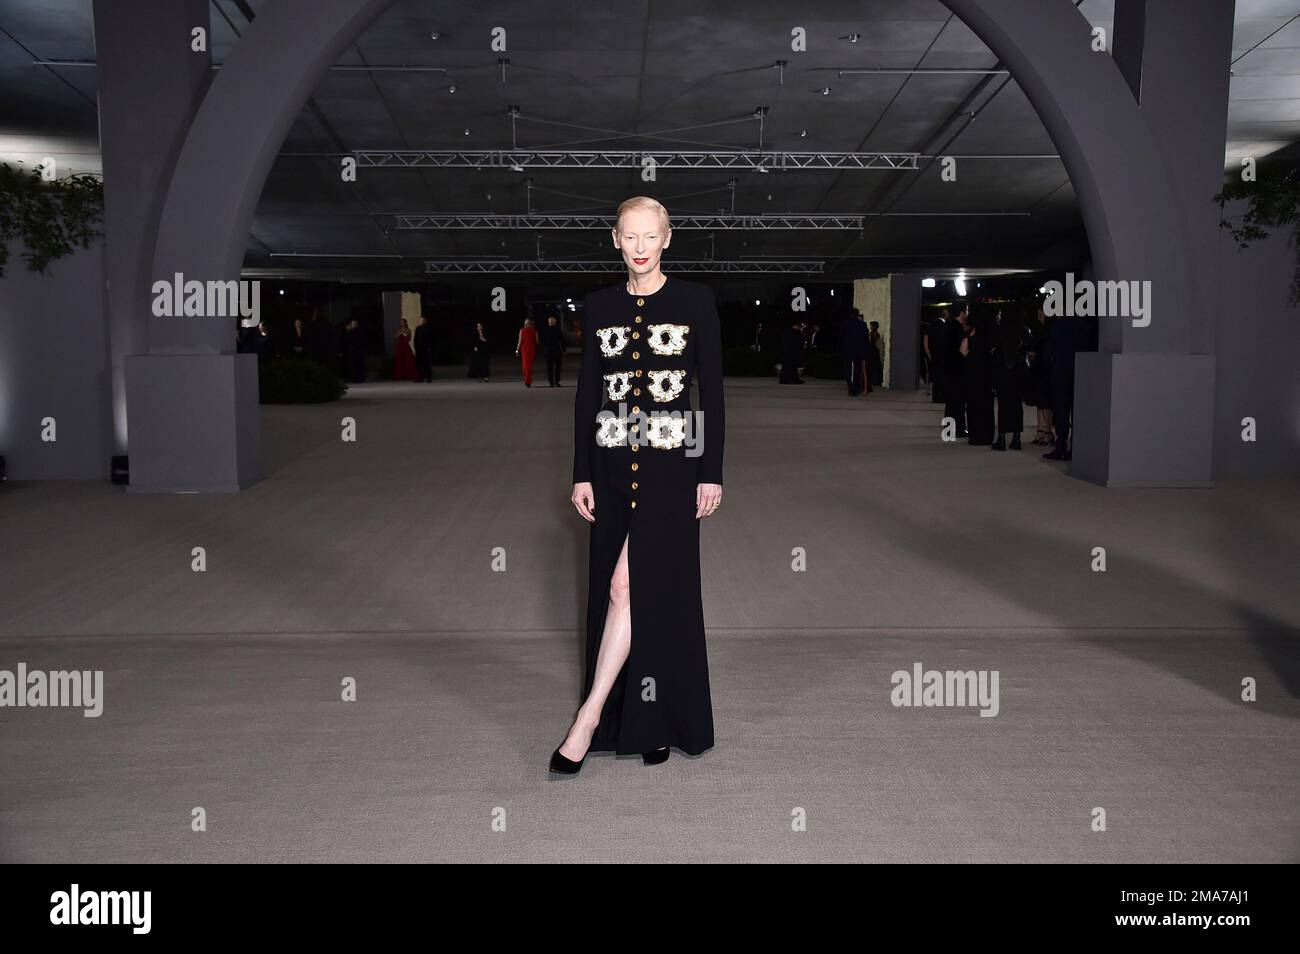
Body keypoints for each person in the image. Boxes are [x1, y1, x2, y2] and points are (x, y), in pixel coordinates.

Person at [552, 195, 724, 773]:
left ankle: (589, 716)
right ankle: (649, 723)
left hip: (673, 472)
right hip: (609, 467)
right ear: (615, 240)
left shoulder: (695, 301)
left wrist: (710, 470)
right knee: (629, 594)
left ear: (667, 239)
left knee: (632, 587)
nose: (641, 248)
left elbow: (711, 395)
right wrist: (580, 470)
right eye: (631, 237)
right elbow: (586, 395)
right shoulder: (598, 306)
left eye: (651, 237)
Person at [1042, 309, 1088, 461]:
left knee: (1061, 412)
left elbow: (1049, 351)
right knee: (1077, 412)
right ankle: (1075, 448)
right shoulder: (1083, 326)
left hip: (1060, 373)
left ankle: (1060, 446)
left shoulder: (1057, 327)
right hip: (1079, 373)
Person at [991, 310, 1026, 451]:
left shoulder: (1000, 334)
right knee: (1017, 407)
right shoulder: (1022, 332)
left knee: (1003, 407)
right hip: (1018, 374)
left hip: (1003, 375)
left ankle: (1001, 439)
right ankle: (1016, 439)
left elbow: (995, 356)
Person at [961, 309, 995, 445]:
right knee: (986, 405)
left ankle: (975, 435)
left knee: (973, 405)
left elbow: (962, 350)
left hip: (973, 374)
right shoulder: (991, 337)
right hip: (986, 375)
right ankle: (987, 435)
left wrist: (971, 359)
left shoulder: (972, 336)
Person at [944, 302, 969, 436]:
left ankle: (949, 429)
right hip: (958, 368)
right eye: (967, 310)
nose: (968, 313)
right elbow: (962, 350)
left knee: (951, 401)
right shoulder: (958, 328)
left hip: (949, 367)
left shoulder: (948, 325)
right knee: (958, 400)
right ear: (962, 312)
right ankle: (958, 429)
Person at [839, 308, 867, 396]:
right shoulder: (862, 324)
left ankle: (850, 387)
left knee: (848, 369)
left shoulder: (845, 324)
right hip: (859, 350)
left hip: (847, 350)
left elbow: (841, 337)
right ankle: (856, 388)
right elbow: (865, 339)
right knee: (858, 370)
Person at [540, 314, 566, 386]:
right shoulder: (545, 330)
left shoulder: (558, 330)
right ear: (548, 322)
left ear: (555, 322)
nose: (551, 323)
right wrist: (543, 350)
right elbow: (542, 341)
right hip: (549, 350)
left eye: (553, 321)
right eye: (550, 321)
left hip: (556, 350)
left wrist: (563, 350)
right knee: (549, 367)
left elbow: (562, 340)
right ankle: (551, 382)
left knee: (558, 367)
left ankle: (556, 381)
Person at [779, 318, 806, 384]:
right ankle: (791, 379)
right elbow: (800, 342)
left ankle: (786, 379)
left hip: (787, 352)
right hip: (792, 352)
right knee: (791, 366)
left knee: (788, 366)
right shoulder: (795, 333)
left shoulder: (787, 331)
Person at [341, 318, 366, 382]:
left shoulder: (356, 331)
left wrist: (348, 331)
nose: (352, 325)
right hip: (354, 351)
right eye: (352, 324)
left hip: (356, 351)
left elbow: (351, 340)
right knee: (354, 365)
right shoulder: (352, 331)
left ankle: (357, 378)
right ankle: (355, 378)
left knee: (356, 365)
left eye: (353, 323)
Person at [515, 317, 538, 387]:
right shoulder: (522, 330)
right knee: (525, 366)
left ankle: (528, 381)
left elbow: (537, 341)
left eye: (529, 323)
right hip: (524, 349)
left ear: (531, 323)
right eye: (526, 322)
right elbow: (519, 341)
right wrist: (517, 350)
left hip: (531, 349)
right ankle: (527, 380)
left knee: (528, 366)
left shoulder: (534, 331)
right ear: (525, 323)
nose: (528, 324)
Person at [414, 315, 434, 382]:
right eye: (420, 320)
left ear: (425, 321)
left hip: (426, 348)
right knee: (419, 364)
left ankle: (429, 378)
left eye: (422, 320)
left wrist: (429, 347)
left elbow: (431, 338)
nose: (421, 321)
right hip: (419, 349)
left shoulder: (429, 328)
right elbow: (415, 338)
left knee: (427, 364)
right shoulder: (418, 328)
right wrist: (415, 347)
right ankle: (420, 378)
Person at [867, 320, 884, 388]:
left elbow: (870, 342)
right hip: (875, 351)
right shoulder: (876, 334)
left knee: (873, 366)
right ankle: (876, 380)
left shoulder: (872, 334)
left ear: (873, 326)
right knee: (876, 366)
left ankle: (874, 380)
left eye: (871, 325)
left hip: (872, 351)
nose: (870, 326)